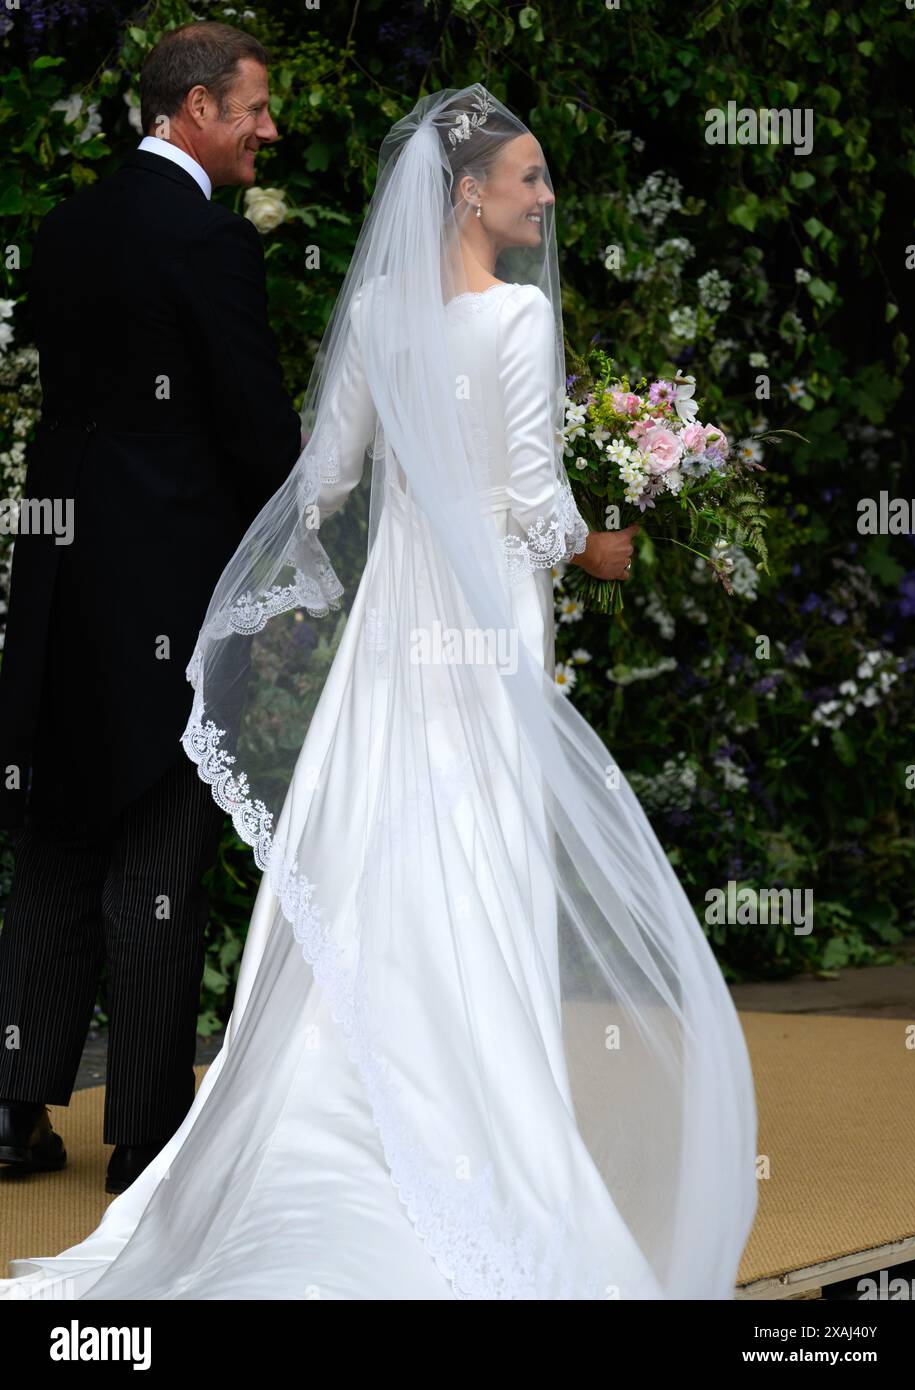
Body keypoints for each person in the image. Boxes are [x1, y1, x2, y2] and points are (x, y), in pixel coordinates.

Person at [0, 84, 757, 1300]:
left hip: (396, 636)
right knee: (475, 849)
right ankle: (470, 1130)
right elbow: (531, 500)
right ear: (470, 191)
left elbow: (325, 478)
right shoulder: (514, 321)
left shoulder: (383, 312)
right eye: (530, 181)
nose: (547, 200)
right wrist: (600, 545)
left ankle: (326, 1110)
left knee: (371, 853)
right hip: (482, 622)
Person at [0, 22, 302, 1196]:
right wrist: (299, 549)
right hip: (168, 584)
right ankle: (143, 1133)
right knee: (161, 836)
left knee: (60, 834)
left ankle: (15, 1111)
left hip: (57, 569)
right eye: (253, 109)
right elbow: (255, 430)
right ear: (191, 109)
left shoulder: (65, 227)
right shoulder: (208, 244)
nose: (268, 130)